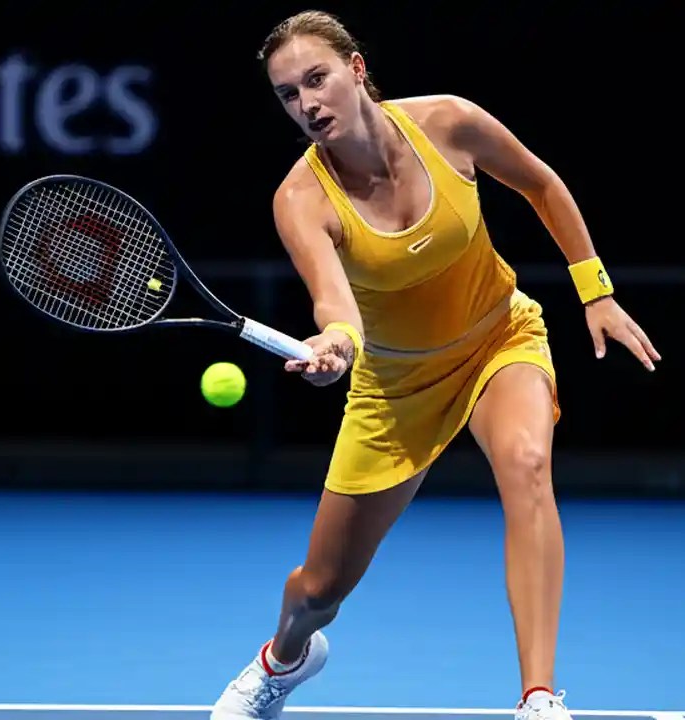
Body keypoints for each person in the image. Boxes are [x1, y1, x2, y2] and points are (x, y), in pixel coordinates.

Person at [209, 9, 661, 720]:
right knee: (317, 592)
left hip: (498, 340)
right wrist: (337, 346)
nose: (308, 104)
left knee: (527, 465)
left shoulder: (448, 123)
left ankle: (538, 699)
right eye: (289, 95)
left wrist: (594, 291)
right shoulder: (300, 200)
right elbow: (336, 303)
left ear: (357, 69)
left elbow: (542, 184)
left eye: (317, 79)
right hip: (394, 386)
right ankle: (283, 659)